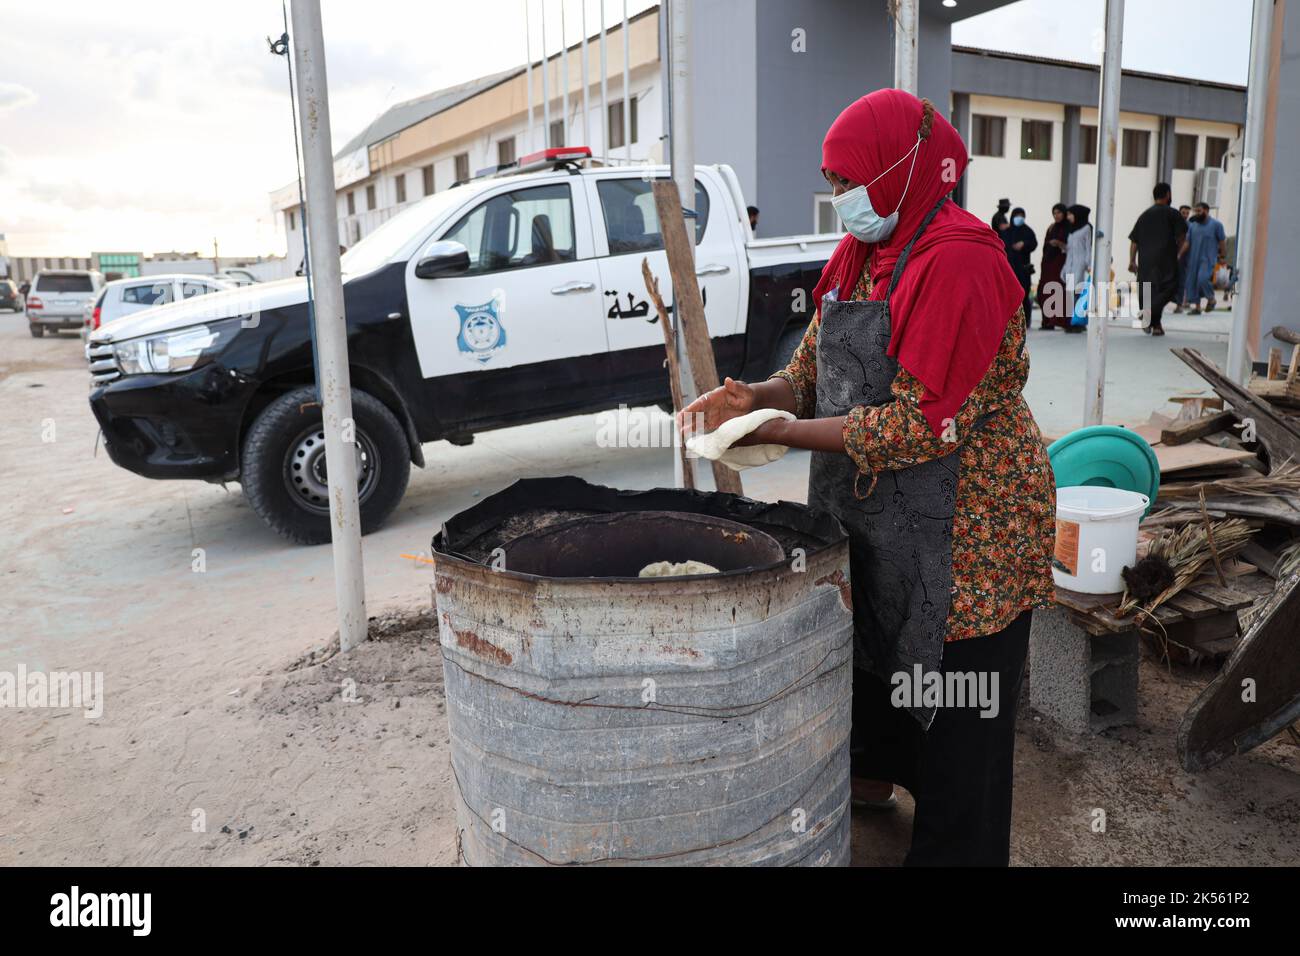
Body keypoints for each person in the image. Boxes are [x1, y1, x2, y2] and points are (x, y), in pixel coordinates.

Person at [679, 90, 1056, 866]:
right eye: (833, 182)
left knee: (958, 705)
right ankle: (878, 783)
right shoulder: (861, 254)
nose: (841, 198)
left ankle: (957, 845)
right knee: (881, 657)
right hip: (883, 515)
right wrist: (760, 395)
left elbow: (923, 425)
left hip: (969, 530)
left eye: (849, 180)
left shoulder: (961, 262)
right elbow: (815, 369)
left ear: (901, 167)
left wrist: (779, 434)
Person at [1128, 182, 1187, 336]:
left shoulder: (1144, 215)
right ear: (1168, 194)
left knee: (1147, 291)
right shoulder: (1173, 214)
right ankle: (1147, 314)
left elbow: (1134, 240)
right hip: (1166, 260)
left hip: (1146, 261)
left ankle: (1156, 325)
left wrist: (1132, 260)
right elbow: (1182, 237)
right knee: (1169, 288)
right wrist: (1179, 254)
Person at [1182, 201, 1226, 314]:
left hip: (1208, 259)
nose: (1196, 213)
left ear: (1206, 211)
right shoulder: (1193, 226)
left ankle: (1211, 299)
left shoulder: (1216, 225)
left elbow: (1222, 241)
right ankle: (1197, 308)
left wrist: (1222, 256)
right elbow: (1187, 242)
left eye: (1199, 211)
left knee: (1202, 279)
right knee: (1193, 282)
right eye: (1195, 211)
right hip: (1193, 259)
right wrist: (1179, 254)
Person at [1001, 207, 1038, 325]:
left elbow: (1033, 244)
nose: (1019, 218)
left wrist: (1024, 244)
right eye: (1017, 215)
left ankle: (1025, 321)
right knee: (1008, 294)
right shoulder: (1007, 231)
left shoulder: (1027, 231)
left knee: (1024, 293)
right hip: (1009, 268)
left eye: (1022, 215)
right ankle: (1009, 322)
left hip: (1023, 268)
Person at [1037, 203, 1070, 329]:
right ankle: (1048, 321)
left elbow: (1071, 247)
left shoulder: (1068, 228)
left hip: (1061, 264)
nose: (1056, 215)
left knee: (1059, 291)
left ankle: (1060, 321)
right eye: (1054, 213)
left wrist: (1059, 243)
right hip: (1048, 264)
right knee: (1045, 292)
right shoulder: (1052, 227)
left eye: (1059, 212)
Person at [1061, 204, 1092, 333]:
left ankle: (1078, 322)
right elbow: (1070, 250)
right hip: (1070, 264)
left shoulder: (1086, 228)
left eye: (1070, 214)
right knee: (1070, 294)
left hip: (1081, 265)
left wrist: (1089, 265)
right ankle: (1072, 321)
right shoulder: (1071, 229)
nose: (1068, 217)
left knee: (1079, 294)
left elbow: (1089, 247)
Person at [1174, 204, 1192, 312]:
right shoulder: (1173, 224)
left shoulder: (1190, 226)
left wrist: (1180, 254)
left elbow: (1187, 242)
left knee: (1181, 280)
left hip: (1183, 257)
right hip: (1171, 255)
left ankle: (1179, 304)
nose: (1185, 215)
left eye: (1187, 213)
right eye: (1183, 213)